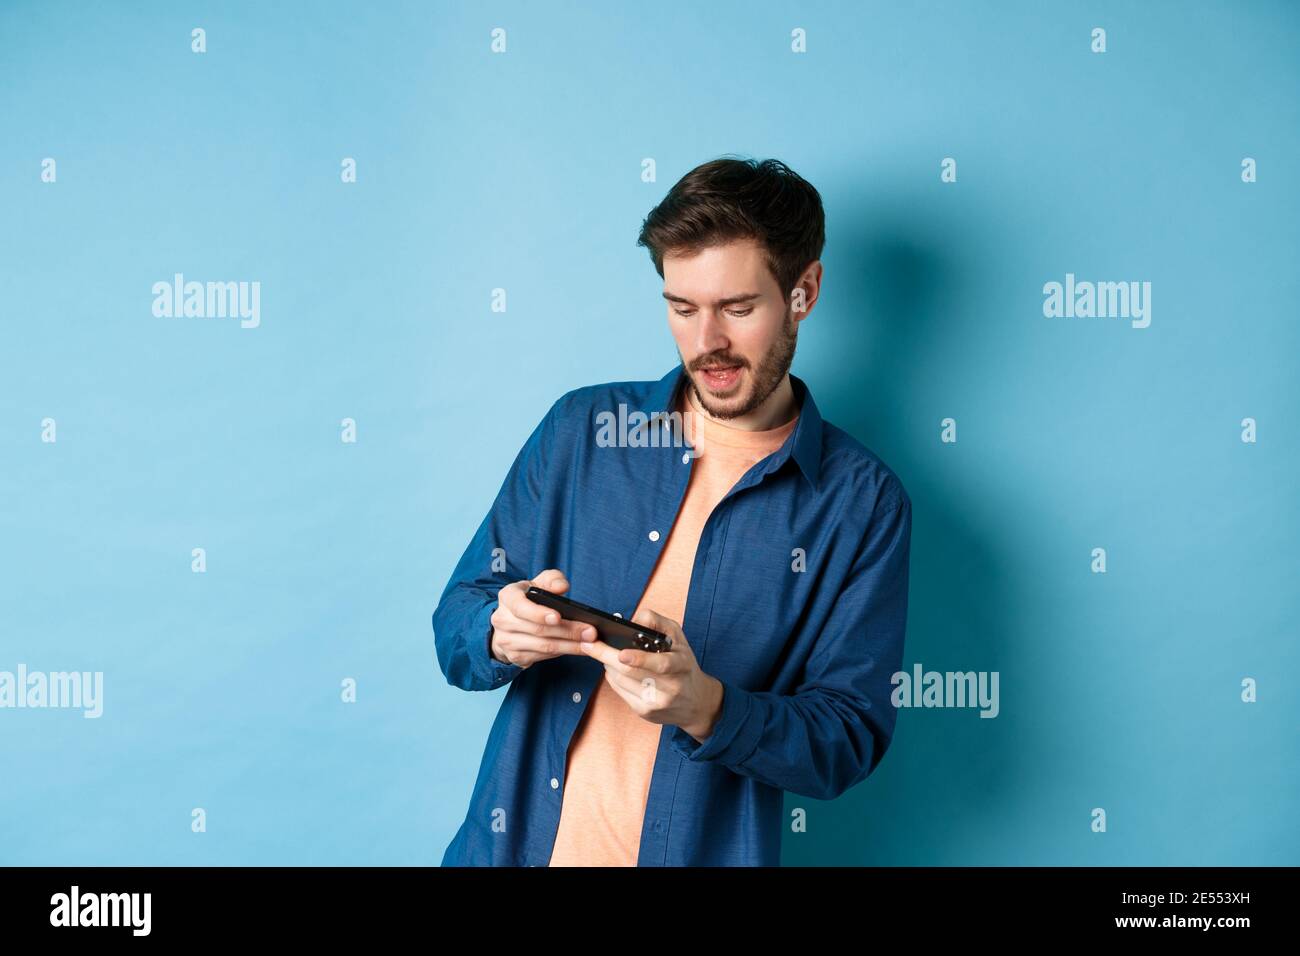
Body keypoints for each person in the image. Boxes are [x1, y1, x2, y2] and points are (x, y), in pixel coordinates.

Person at [434, 156, 912, 866]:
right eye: (681, 307)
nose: (705, 342)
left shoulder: (863, 504)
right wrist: (500, 630)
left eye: (738, 308)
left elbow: (845, 741)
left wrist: (706, 707)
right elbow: (457, 624)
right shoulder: (580, 430)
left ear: (804, 291)